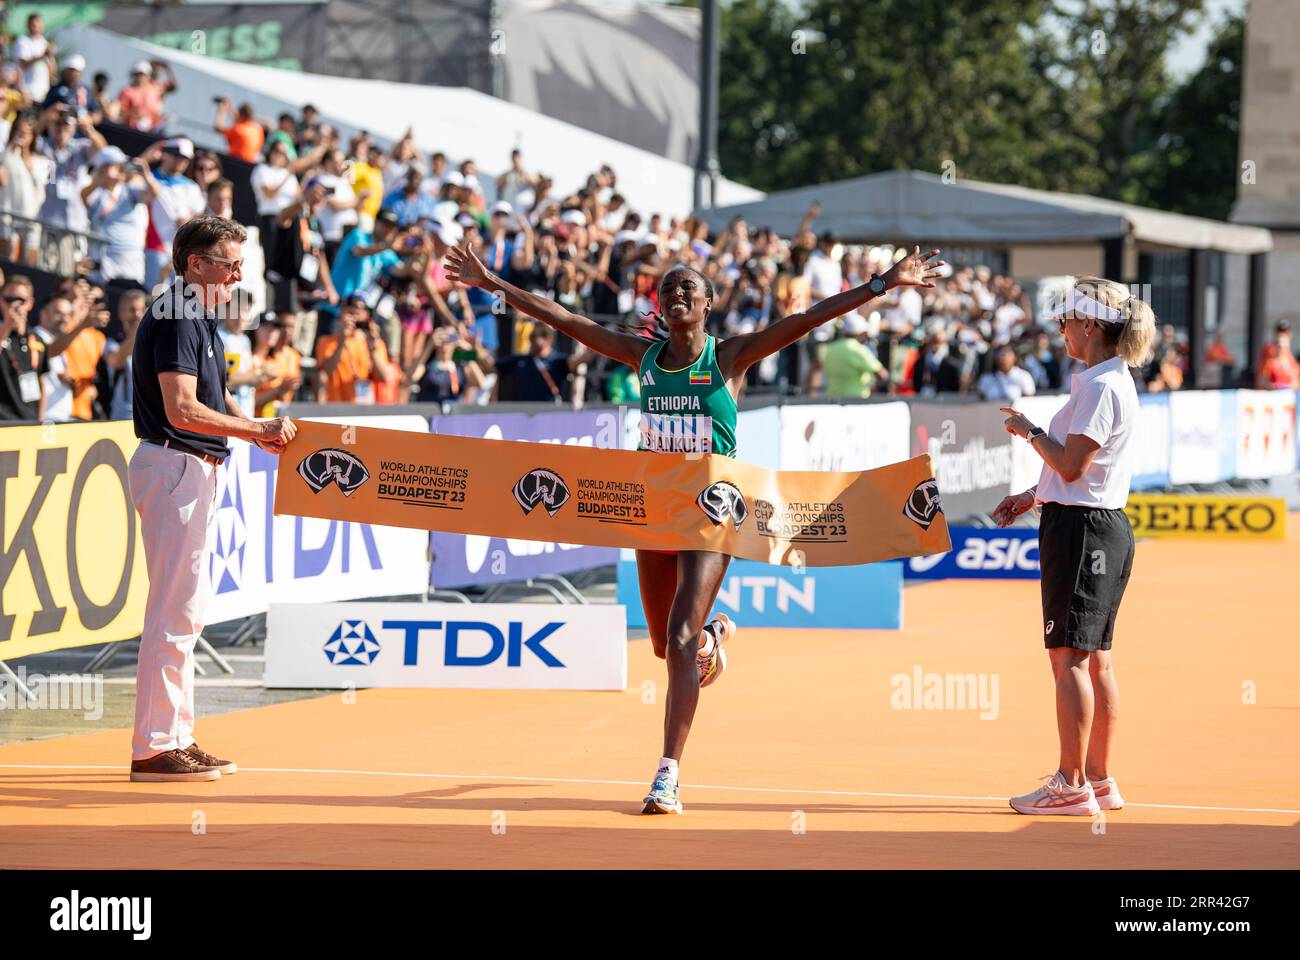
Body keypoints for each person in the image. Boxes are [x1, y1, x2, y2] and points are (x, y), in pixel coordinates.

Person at [447, 239, 943, 814]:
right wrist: (493, 285)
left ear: (708, 304)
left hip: (713, 512)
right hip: (654, 509)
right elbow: (565, 318)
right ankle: (711, 642)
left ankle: (667, 774)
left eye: (689, 287)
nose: (677, 293)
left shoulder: (730, 357)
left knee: (677, 640)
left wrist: (882, 283)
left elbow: (809, 318)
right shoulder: (644, 358)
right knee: (667, 646)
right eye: (668, 288)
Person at [127, 216, 296, 782]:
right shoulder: (178, 314)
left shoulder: (190, 314)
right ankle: (154, 746)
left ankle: (175, 736)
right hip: (176, 464)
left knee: (185, 612)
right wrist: (255, 430)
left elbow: (196, 408)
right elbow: (182, 409)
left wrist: (251, 431)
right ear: (195, 264)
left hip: (187, 466)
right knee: (173, 613)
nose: (238, 275)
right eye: (230, 263)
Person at [993, 275, 1156, 817]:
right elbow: (1078, 474)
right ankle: (1100, 780)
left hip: (1083, 533)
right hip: (1095, 524)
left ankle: (1070, 783)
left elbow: (1070, 463)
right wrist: (1029, 496)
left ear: (1089, 325)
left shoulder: (1103, 386)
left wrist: (1028, 430)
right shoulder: (1104, 380)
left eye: (1065, 320)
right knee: (1095, 662)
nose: (1060, 329)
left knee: (1069, 663)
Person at [83, 146, 159, 285]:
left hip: (129, 258)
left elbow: (153, 194)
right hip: (103, 257)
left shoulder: (130, 189)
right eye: (117, 166)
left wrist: (146, 175)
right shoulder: (97, 191)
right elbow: (83, 197)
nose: (122, 169)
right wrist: (100, 179)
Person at [143, 139, 205, 290]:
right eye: (176, 156)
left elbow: (200, 216)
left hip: (180, 253)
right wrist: (147, 157)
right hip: (153, 248)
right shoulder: (149, 179)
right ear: (166, 154)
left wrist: (189, 221)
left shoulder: (192, 187)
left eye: (185, 158)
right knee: (153, 298)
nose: (180, 161)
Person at [313, 295, 395, 403]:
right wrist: (341, 341)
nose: (355, 317)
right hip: (336, 406)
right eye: (350, 313)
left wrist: (372, 350)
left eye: (359, 312)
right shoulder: (326, 341)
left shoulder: (376, 343)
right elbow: (326, 372)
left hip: (364, 409)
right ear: (341, 313)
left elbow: (383, 378)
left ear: (367, 315)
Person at [0, 113, 54, 262]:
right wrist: (12, 147)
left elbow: (48, 186)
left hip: (33, 220)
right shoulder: (6, 156)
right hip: (8, 218)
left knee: (30, 262)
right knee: (8, 258)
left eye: (26, 133)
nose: (22, 136)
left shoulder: (43, 162)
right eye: (18, 131)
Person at [0, 274, 47, 421]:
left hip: (29, 421)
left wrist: (40, 421)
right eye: (9, 299)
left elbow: (41, 382)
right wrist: (7, 325)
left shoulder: (37, 340)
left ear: (30, 303)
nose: (15, 305)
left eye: (20, 300)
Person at [105, 289, 148, 419]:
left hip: (149, 415)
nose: (137, 315)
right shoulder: (112, 342)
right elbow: (116, 361)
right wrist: (139, 328)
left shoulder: (152, 342)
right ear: (120, 313)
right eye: (132, 310)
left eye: (141, 310)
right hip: (123, 416)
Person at [822, 311, 885, 398]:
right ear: (860, 333)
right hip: (855, 400)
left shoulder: (832, 348)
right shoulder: (858, 350)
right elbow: (881, 373)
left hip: (832, 399)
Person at [117, 61, 175, 134]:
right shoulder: (127, 91)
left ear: (148, 76)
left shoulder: (155, 87)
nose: (140, 77)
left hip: (154, 130)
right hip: (133, 130)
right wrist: (134, 115)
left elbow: (173, 86)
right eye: (138, 74)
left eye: (143, 75)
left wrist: (168, 69)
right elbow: (119, 111)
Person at [12, 14, 55, 105]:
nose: (35, 26)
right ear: (28, 25)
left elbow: (52, 71)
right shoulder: (22, 41)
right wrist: (43, 56)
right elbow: (23, 64)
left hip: (43, 94)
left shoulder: (44, 43)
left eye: (37, 23)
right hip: (27, 92)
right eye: (33, 24)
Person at [213, 99, 265, 163]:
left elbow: (217, 128)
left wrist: (222, 110)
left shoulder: (238, 129)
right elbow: (238, 120)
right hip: (250, 164)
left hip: (235, 162)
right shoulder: (258, 129)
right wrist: (230, 108)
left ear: (241, 115)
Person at [1255, 320, 1299, 390]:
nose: (1282, 335)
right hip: (1273, 396)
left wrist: (1289, 386)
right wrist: (1277, 387)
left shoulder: (1291, 359)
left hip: (1288, 396)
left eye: (1285, 332)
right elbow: (1261, 381)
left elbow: (1296, 382)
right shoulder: (1269, 355)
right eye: (1280, 332)